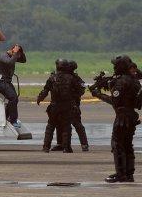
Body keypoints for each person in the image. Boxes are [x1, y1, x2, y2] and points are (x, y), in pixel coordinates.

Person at [90, 55, 139, 183]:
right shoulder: (134, 80)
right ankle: (129, 174)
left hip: (122, 116)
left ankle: (120, 174)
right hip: (131, 116)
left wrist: (98, 94)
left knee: (117, 144)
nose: (114, 68)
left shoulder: (121, 81)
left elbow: (115, 101)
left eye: (115, 66)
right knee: (127, 145)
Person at [37, 59, 82, 153]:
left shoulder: (52, 78)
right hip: (67, 105)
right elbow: (79, 91)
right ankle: (66, 148)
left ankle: (46, 147)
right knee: (66, 126)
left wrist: (40, 98)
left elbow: (45, 91)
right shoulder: (71, 78)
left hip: (54, 105)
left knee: (50, 126)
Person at [0, 43, 26, 131]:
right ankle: (13, 120)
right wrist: (15, 52)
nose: (17, 58)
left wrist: (19, 50)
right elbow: (10, 62)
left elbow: (24, 60)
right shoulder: (3, 55)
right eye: (17, 55)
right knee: (13, 98)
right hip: (0, 82)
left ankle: (5, 116)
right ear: (12, 51)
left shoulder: (13, 56)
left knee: (14, 99)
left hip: (6, 82)